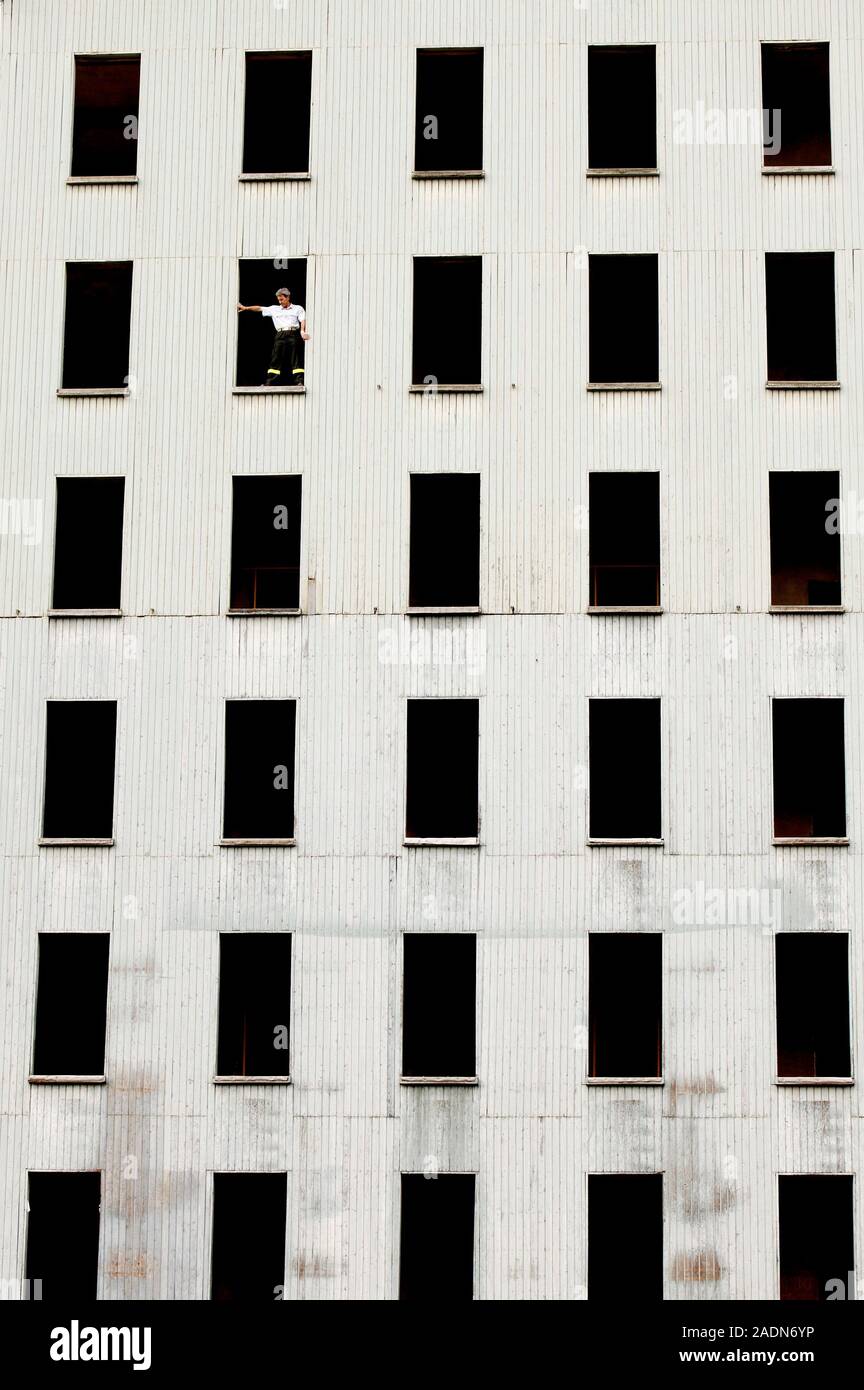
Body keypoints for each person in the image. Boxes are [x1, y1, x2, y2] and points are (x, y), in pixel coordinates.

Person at [237, 288, 310, 386]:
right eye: (279, 300)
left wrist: (302, 331)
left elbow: (302, 320)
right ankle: (270, 382)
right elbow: (259, 308)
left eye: (282, 299)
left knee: (295, 357)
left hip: (293, 333)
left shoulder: (298, 308)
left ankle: (299, 381)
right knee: (276, 358)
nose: (280, 302)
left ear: (288, 297)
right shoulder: (274, 309)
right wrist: (246, 308)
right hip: (280, 334)